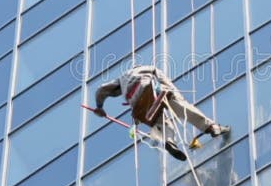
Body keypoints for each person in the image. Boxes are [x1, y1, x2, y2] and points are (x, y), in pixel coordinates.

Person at [93, 65, 230, 161]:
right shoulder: (148, 68)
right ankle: (212, 127)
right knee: (181, 108)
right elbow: (164, 80)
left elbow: (101, 90)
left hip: (138, 104)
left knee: (162, 122)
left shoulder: (121, 80)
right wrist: (176, 96)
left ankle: (170, 141)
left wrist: (99, 106)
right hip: (149, 88)